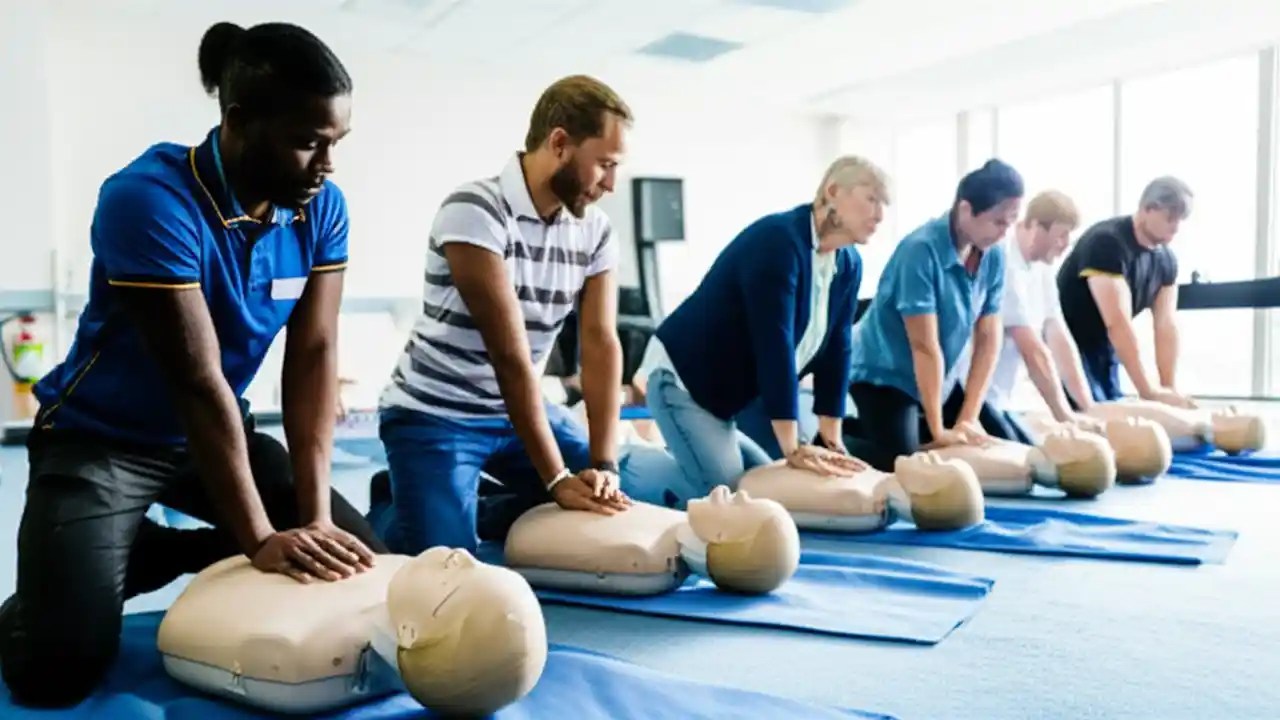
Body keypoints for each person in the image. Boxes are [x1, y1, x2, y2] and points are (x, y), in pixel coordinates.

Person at [0, 22, 385, 708]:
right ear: (240, 122)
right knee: (56, 670)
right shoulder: (148, 200)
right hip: (100, 442)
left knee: (358, 562)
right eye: (307, 142)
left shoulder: (319, 208)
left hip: (214, 436)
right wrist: (259, 538)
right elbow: (198, 382)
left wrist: (315, 514)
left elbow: (315, 354)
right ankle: (119, 561)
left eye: (336, 143)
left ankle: (123, 554)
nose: (326, 165)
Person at [369, 75, 633, 556]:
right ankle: (393, 504)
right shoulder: (474, 210)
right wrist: (555, 478)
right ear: (559, 144)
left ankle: (470, 505)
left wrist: (604, 463)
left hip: (518, 412)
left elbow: (600, 343)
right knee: (446, 562)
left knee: (610, 498)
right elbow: (509, 354)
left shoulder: (595, 231)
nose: (611, 185)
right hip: (436, 415)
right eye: (605, 165)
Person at [629, 156, 887, 509]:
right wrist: (793, 447)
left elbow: (837, 350)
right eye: (871, 199)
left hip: (725, 400)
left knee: (771, 489)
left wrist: (831, 440)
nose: (880, 215)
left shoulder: (847, 263)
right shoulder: (778, 241)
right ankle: (626, 460)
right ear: (832, 192)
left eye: (883, 204)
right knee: (726, 496)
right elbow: (774, 344)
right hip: (683, 382)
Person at [846, 159, 1024, 471]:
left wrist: (967, 417)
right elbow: (924, 346)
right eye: (998, 222)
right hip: (885, 375)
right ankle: (836, 436)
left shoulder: (993, 255)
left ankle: (921, 427)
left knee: (1002, 440)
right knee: (902, 461)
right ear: (966, 210)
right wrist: (940, 430)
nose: (1003, 233)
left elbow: (987, 337)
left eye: (1010, 223)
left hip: (941, 377)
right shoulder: (920, 251)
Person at [952, 190, 1100, 443]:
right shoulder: (1005, 261)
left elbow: (1059, 338)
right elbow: (1033, 350)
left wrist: (1088, 407)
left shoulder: (1042, 269)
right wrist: (1064, 414)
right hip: (970, 394)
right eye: (1061, 234)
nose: (1066, 244)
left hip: (1008, 398)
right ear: (1034, 227)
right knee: (1028, 454)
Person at [1056, 176, 1193, 408]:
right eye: (1170, 218)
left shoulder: (1166, 260)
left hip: (1105, 351)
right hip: (1067, 345)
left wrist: (1169, 390)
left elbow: (1166, 325)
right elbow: (1118, 324)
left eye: (1180, 220)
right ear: (1148, 209)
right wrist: (1148, 391)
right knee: (1093, 419)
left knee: (1120, 413)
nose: (1176, 227)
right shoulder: (1107, 243)